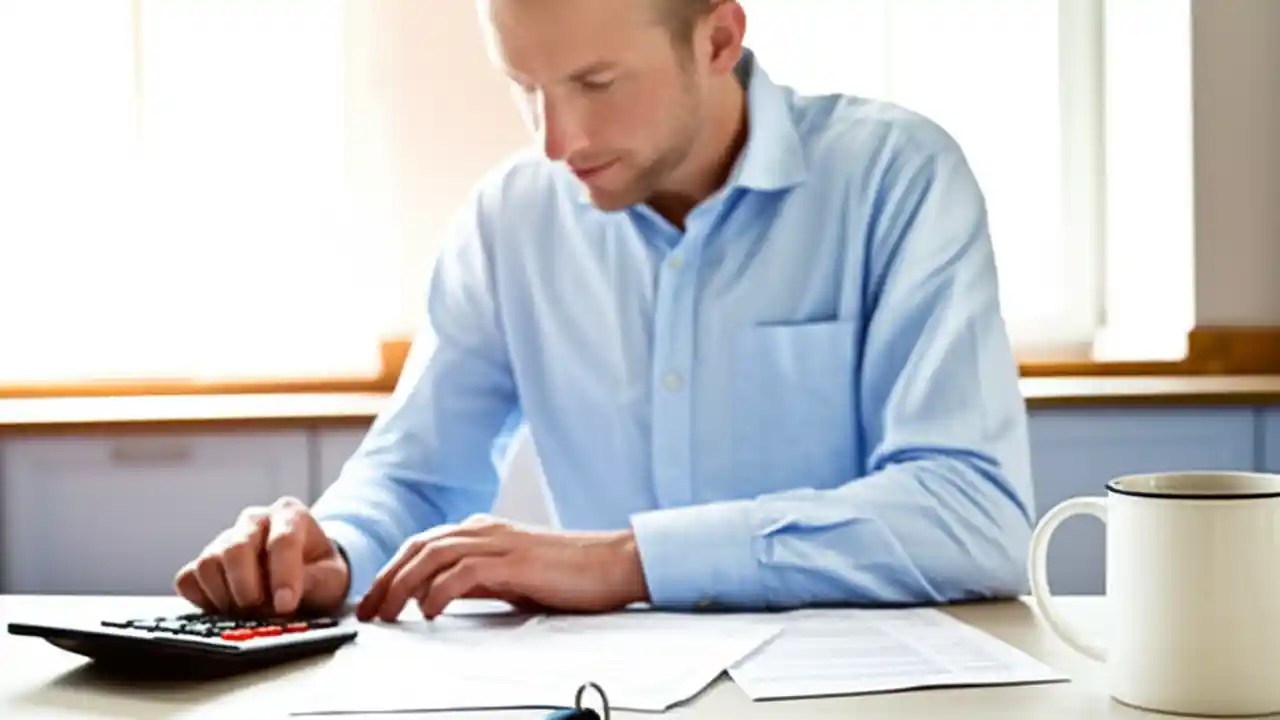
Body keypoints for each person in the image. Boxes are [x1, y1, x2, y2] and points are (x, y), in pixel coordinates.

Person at [174, 0, 1034, 623]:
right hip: (607, 695)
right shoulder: (510, 217)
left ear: (720, 39)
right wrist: (333, 549)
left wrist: (628, 561)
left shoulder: (897, 179)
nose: (557, 141)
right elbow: (418, 476)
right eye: (527, 88)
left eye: (595, 82)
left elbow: (972, 515)